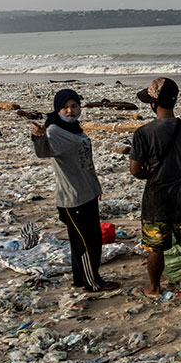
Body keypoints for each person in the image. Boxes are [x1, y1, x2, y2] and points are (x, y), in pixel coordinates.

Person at [129, 77, 181, 306]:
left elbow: (135, 170)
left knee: (155, 247)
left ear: (155, 104)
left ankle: (154, 288)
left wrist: (151, 174)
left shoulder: (143, 133)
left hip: (157, 199)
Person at [31, 89, 119, 293]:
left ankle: (80, 279)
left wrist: (95, 188)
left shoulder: (75, 129)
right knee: (87, 244)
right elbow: (44, 151)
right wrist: (38, 137)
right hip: (73, 199)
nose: (70, 111)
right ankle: (93, 283)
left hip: (87, 193)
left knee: (85, 239)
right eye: (65, 107)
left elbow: (86, 162)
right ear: (57, 109)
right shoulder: (55, 131)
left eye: (74, 106)